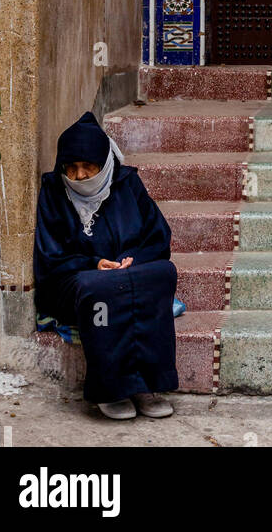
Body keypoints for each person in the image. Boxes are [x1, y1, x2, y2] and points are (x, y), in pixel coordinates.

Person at [33, 111, 178, 420]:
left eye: (89, 167)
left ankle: (146, 385)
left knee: (163, 273)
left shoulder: (128, 184)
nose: (80, 176)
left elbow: (158, 237)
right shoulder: (53, 192)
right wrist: (92, 262)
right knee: (98, 289)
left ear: (105, 164)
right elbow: (50, 255)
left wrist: (133, 259)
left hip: (128, 272)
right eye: (72, 169)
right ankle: (110, 388)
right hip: (75, 279)